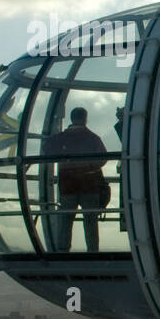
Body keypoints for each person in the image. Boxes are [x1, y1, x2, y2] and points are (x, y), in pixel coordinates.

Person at [43, 107, 108, 252]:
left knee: (66, 219)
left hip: (68, 185)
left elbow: (46, 150)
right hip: (90, 185)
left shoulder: (60, 138)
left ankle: (63, 250)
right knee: (90, 220)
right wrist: (89, 166)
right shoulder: (93, 138)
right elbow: (103, 159)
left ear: (72, 119)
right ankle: (92, 251)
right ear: (85, 118)